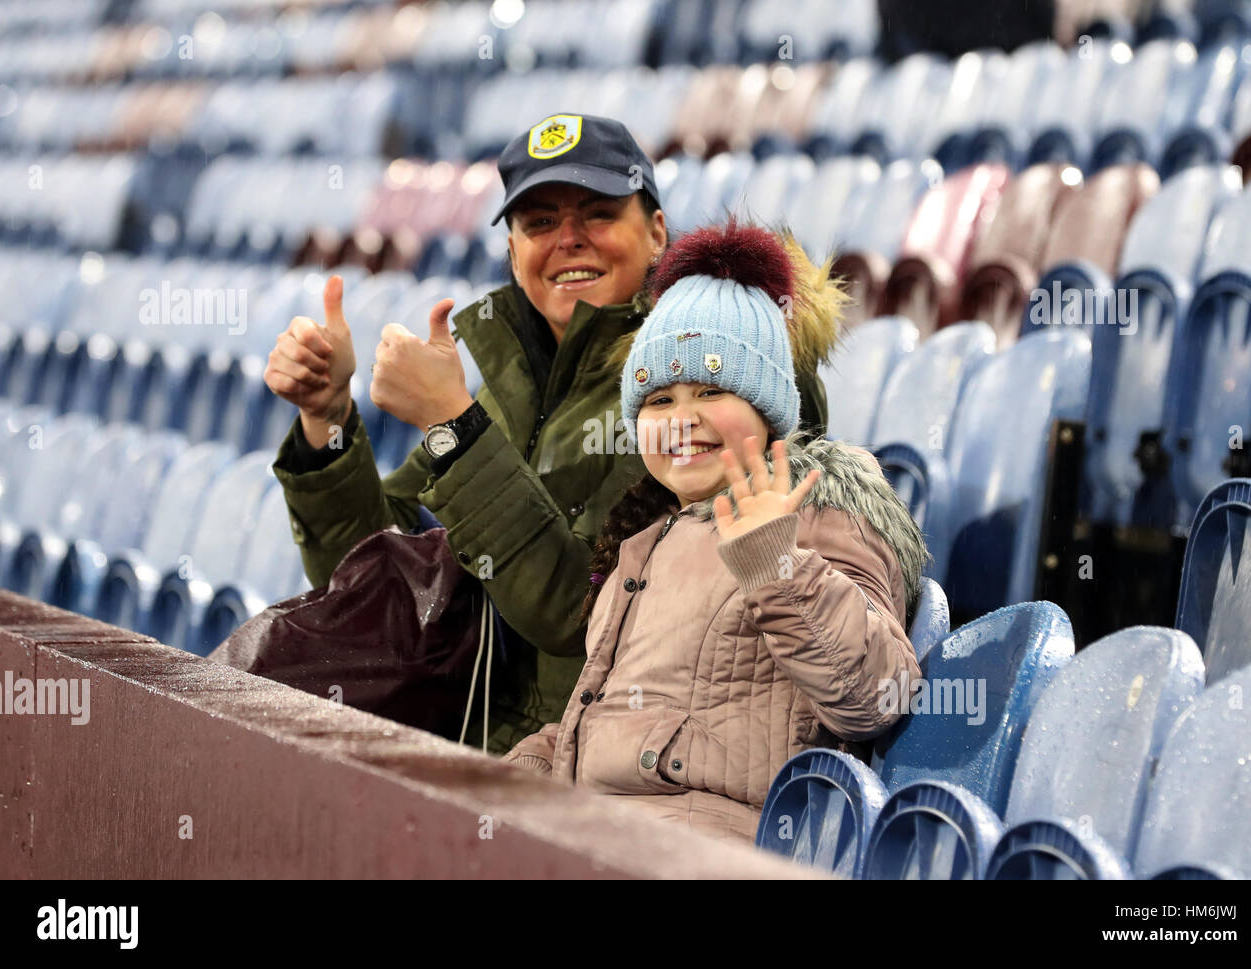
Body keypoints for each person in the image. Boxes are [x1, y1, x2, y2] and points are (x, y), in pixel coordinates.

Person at [262, 114, 831, 754]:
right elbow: (368, 586)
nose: (568, 240)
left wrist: (453, 424)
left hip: (609, 766)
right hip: (483, 749)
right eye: (539, 224)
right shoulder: (511, 383)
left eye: (597, 214)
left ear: (657, 232)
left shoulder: (719, 376)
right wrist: (327, 418)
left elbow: (579, 614)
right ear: (511, 252)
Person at [504, 222, 927, 843]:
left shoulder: (817, 512)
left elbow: (877, 696)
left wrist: (776, 564)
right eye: (659, 400)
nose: (683, 419)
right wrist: (531, 767)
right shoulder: (642, 546)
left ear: (769, 409)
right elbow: (605, 729)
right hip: (601, 835)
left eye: (711, 389)